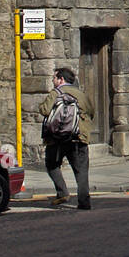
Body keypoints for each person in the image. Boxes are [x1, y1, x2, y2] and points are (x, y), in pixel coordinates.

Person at [39, 66, 95, 209]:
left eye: (54, 78)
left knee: (52, 165)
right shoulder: (81, 94)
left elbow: (44, 110)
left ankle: (62, 192)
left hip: (56, 139)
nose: (53, 80)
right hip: (78, 138)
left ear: (61, 79)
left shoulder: (55, 93)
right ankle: (84, 202)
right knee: (81, 170)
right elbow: (91, 112)